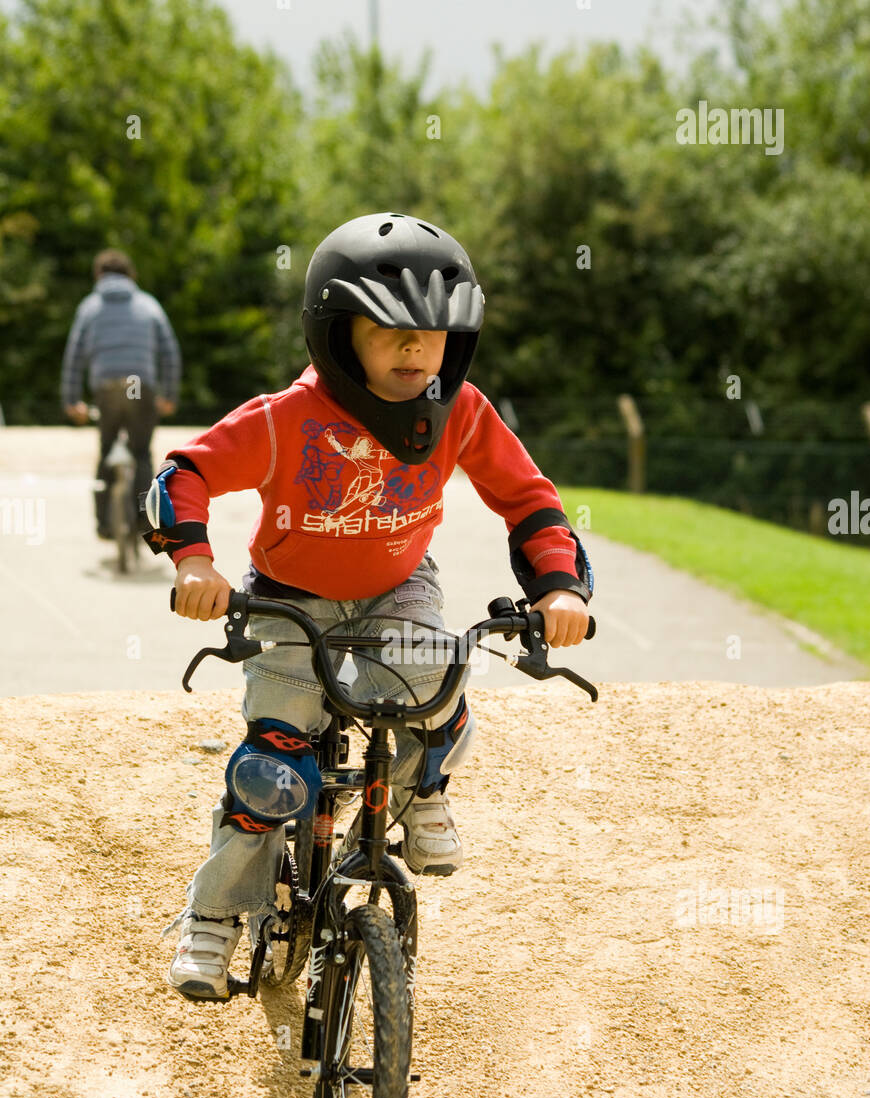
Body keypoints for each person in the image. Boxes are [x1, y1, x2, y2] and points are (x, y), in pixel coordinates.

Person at [141, 212, 594, 1001]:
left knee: (429, 686)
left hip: (398, 585)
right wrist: (195, 562)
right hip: (291, 599)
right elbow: (182, 475)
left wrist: (557, 589)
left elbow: (530, 501)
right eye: (390, 332)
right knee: (271, 771)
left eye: (434, 332)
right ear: (337, 336)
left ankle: (424, 795)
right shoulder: (287, 419)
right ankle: (212, 919)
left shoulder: (462, 412)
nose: (417, 350)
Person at [60, 249, 181, 538]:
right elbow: (170, 352)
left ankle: (104, 524)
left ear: (98, 276)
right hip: (141, 386)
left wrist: (71, 400)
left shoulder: (89, 306)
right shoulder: (148, 304)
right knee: (140, 451)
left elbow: (74, 356)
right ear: (132, 276)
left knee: (107, 448)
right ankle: (143, 521)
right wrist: (170, 395)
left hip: (106, 386)